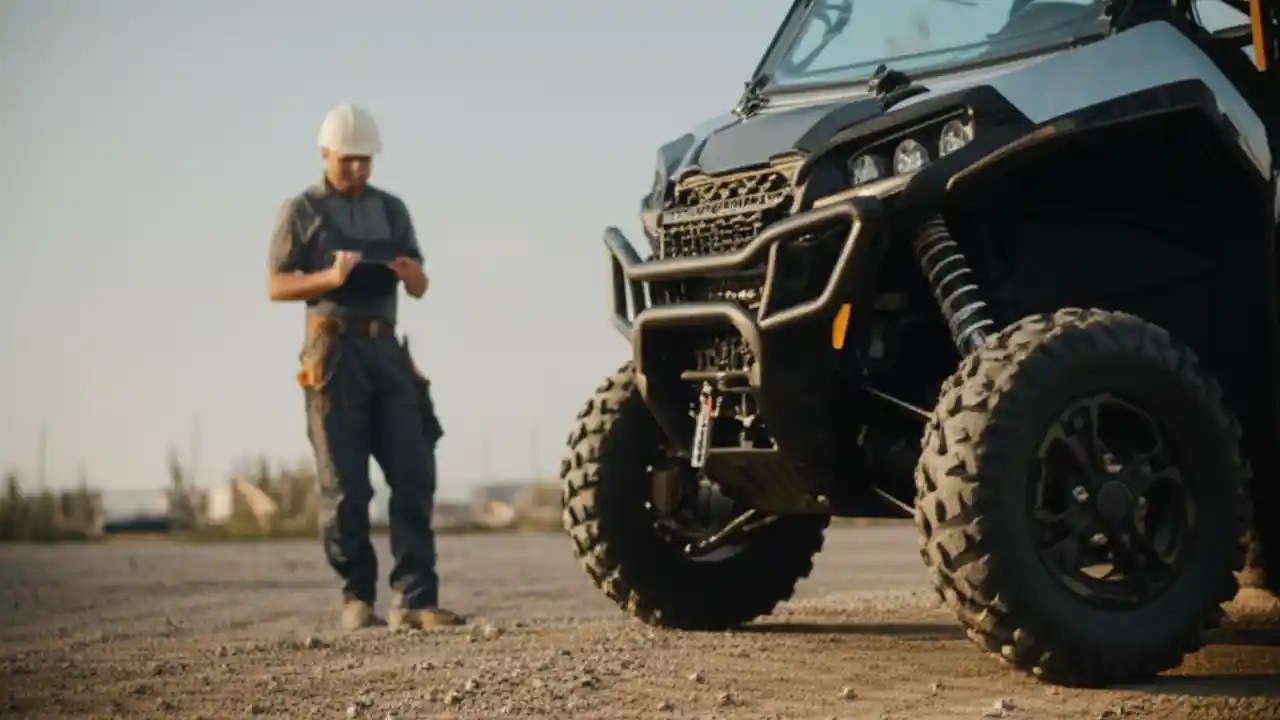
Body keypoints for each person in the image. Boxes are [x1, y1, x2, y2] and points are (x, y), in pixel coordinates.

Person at [266, 102, 463, 631]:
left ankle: (417, 600)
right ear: (325, 154)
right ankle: (357, 596)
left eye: (366, 161)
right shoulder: (301, 210)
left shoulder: (392, 209)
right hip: (332, 354)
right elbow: (276, 285)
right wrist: (329, 279)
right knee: (345, 485)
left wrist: (407, 272)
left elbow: (421, 287)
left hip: (387, 351)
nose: (358, 170)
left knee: (414, 472)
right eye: (348, 160)